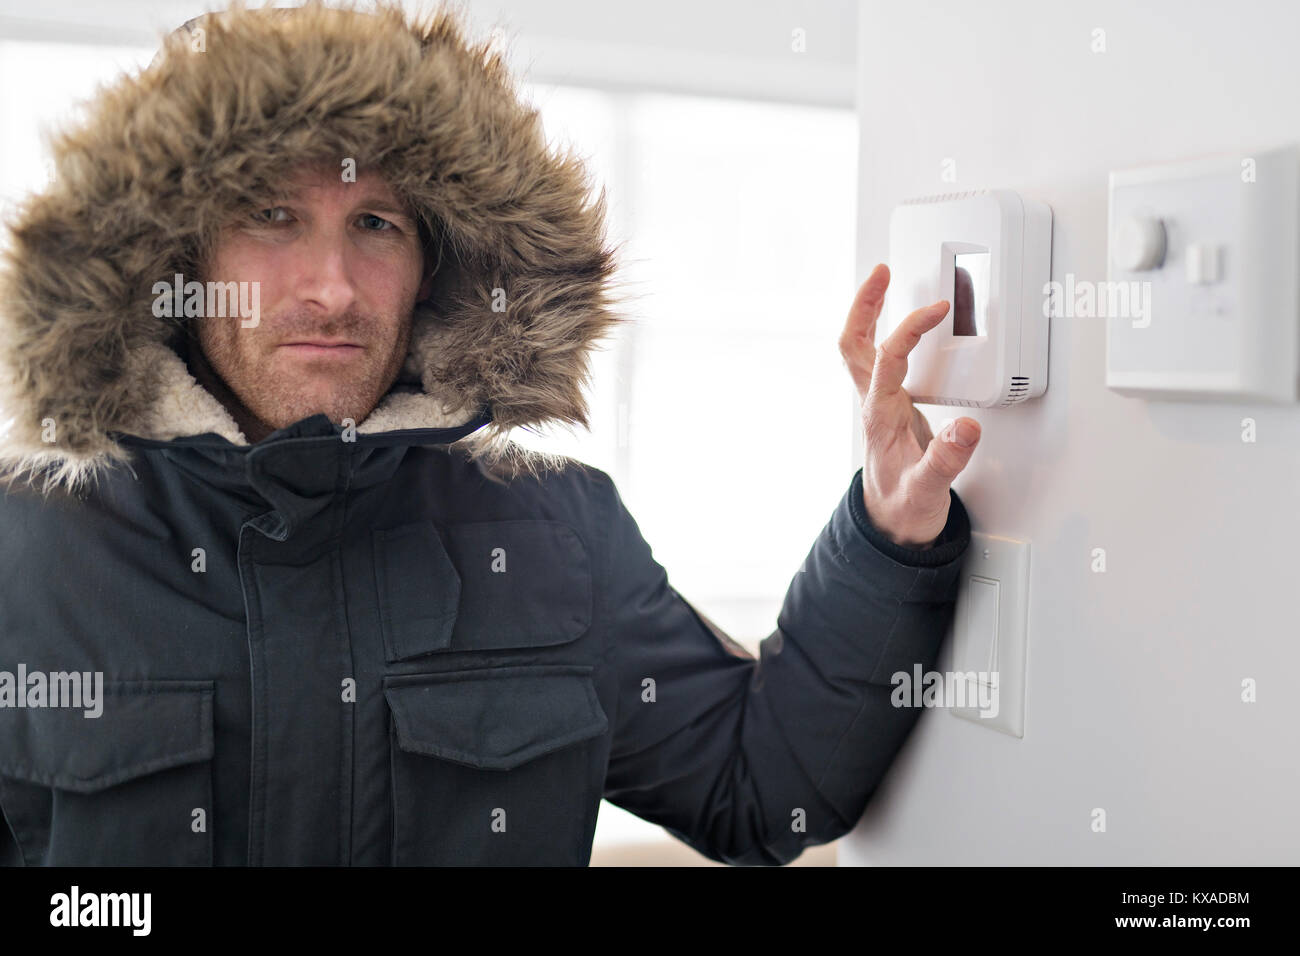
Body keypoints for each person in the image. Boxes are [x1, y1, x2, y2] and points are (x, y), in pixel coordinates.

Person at [0, 1, 981, 866]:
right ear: (178, 251)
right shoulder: (26, 542)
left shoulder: (555, 533)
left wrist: (889, 535)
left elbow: (762, 788)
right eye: (272, 215)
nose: (333, 286)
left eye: (376, 223)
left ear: (437, 262)